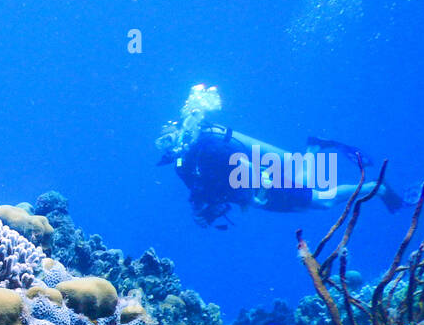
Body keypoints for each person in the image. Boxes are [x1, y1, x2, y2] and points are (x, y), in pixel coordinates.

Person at [155, 85, 408, 229]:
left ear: (181, 131)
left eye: (169, 138)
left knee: (321, 201)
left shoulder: (206, 146)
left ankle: (377, 187)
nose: (168, 146)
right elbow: (204, 188)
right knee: (307, 194)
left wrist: (256, 188)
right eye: (162, 142)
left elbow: (240, 161)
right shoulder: (183, 165)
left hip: (260, 186)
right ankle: (313, 149)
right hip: (251, 194)